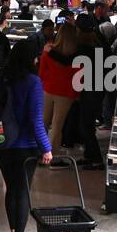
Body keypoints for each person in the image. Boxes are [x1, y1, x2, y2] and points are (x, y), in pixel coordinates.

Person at [0, 45, 52, 232]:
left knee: (11, 188)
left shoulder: (1, 78)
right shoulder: (32, 82)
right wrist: (46, 147)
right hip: (25, 146)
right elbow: (36, 119)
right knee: (22, 192)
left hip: (2, 142)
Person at [38, 22, 79, 163]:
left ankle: (40, 151)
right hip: (66, 93)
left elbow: (41, 72)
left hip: (47, 89)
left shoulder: (48, 51)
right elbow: (79, 77)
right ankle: (53, 156)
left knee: (43, 121)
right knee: (57, 125)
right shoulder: (77, 56)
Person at [73, 13, 106, 169]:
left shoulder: (83, 47)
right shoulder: (99, 42)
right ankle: (89, 155)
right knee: (87, 124)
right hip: (99, 88)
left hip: (90, 89)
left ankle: (97, 160)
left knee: (85, 125)